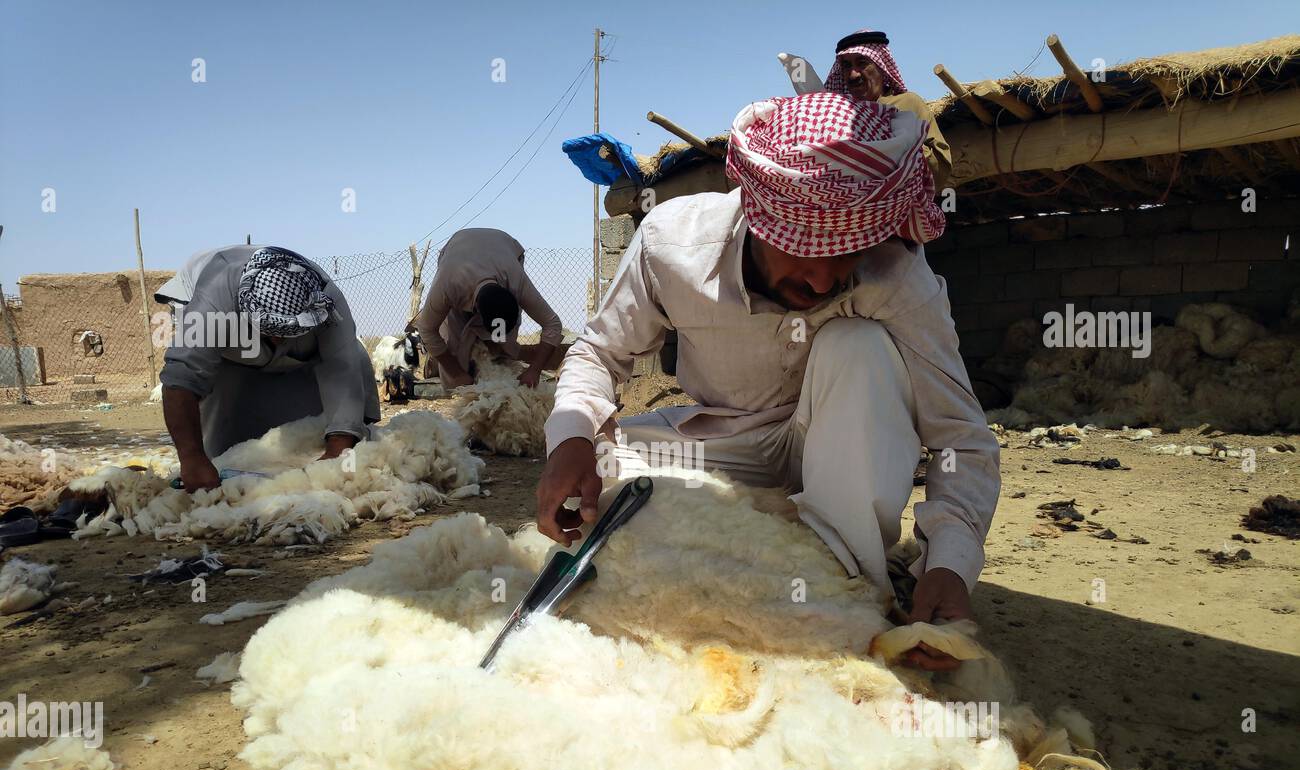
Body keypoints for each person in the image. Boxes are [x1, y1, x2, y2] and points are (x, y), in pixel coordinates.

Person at [535, 92, 999, 671]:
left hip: (828, 448)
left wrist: (950, 567)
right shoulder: (670, 244)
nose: (826, 276)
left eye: (848, 250)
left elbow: (962, 437)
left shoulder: (898, 277)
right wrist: (571, 441)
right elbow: (599, 353)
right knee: (601, 493)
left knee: (858, 343)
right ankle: (784, 544)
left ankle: (847, 583)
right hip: (720, 444)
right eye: (805, 246)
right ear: (757, 215)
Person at [155, 245, 380, 492]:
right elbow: (181, 378)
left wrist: (339, 448)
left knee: (357, 357)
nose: (279, 341)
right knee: (222, 455)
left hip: (296, 359)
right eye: (272, 332)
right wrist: (192, 459)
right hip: (231, 349)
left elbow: (342, 367)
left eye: (286, 334)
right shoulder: (214, 299)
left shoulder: (326, 300)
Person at [409, 228, 565, 391]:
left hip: (505, 248)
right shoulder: (448, 286)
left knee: (502, 346)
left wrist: (534, 371)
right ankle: (463, 390)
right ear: (476, 311)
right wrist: (455, 372)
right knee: (454, 346)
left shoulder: (516, 282)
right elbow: (426, 329)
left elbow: (552, 324)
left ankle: (501, 378)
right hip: (456, 254)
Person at [823, 28, 952, 192]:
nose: (853, 75)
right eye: (847, 66)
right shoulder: (837, 115)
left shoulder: (908, 104)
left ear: (881, 66)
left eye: (862, 63)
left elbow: (941, 173)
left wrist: (900, 140)